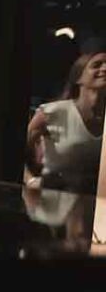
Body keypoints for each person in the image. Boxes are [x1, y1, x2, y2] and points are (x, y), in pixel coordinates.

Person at [25, 51, 105, 195]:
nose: (104, 68)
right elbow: (14, 152)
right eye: (96, 65)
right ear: (78, 77)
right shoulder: (52, 113)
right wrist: (31, 181)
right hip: (52, 203)